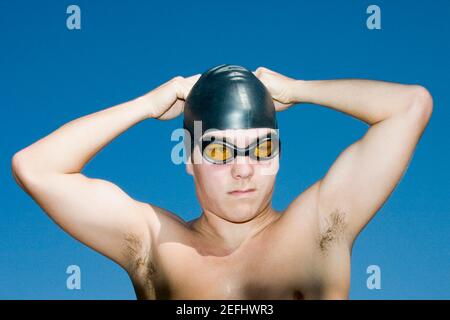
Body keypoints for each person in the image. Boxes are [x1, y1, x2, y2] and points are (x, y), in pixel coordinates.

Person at [11, 64, 433, 299]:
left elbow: (411, 105)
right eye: (218, 151)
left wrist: (299, 89)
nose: (244, 168)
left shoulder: (318, 225)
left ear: (279, 154)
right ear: (189, 159)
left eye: (261, 148)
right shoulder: (156, 244)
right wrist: (145, 104)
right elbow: (35, 167)